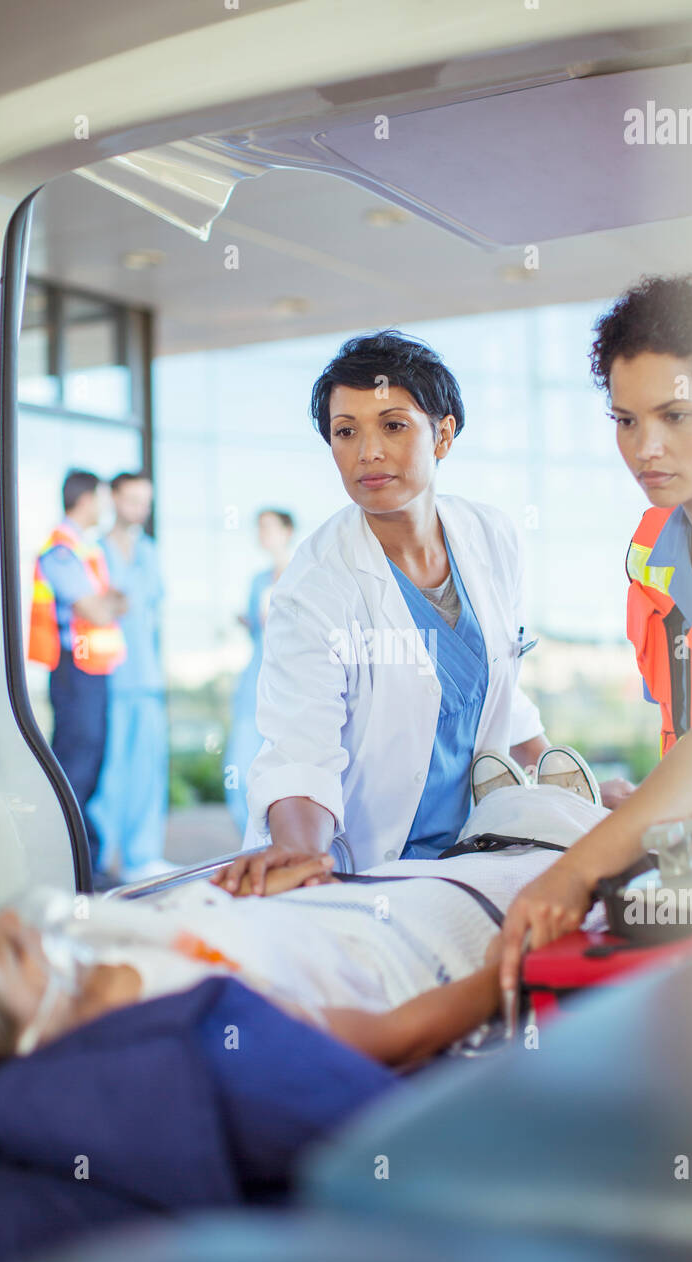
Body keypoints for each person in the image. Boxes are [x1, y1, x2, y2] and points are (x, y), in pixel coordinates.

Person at [498, 273, 692, 997]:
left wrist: (576, 871)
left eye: (675, 416)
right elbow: (691, 734)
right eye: (626, 420)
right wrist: (649, 802)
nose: (646, 447)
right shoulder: (650, 556)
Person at [228, 330, 630, 886]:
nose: (367, 451)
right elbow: (301, 750)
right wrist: (301, 855)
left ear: (442, 435)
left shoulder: (492, 537)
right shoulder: (316, 586)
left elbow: (497, 692)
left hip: (474, 851)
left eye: (393, 425)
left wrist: (573, 798)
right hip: (367, 862)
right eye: (346, 432)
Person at [0, 773, 609, 1078]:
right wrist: (515, 962)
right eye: (11, 949)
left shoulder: (86, 950)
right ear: (26, 1043)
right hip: (409, 946)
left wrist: (245, 890)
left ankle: (536, 805)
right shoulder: (183, 1035)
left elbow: (191, 932)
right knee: (565, 858)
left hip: (330, 905)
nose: (22, 923)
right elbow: (397, 1036)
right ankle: (562, 806)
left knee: (491, 840)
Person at [28, 470, 128, 880]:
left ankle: (86, 862)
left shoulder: (83, 549)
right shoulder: (62, 551)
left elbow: (116, 600)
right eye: (103, 498)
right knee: (75, 766)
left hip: (93, 671)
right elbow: (101, 608)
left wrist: (108, 602)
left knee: (92, 762)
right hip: (74, 673)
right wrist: (107, 603)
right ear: (85, 500)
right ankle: (71, 866)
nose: (106, 507)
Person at [87, 472, 173, 883]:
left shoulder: (150, 551)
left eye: (146, 501)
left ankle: (142, 858)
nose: (140, 509)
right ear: (114, 499)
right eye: (133, 499)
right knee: (109, 771)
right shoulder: (94, 550)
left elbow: (151, 610)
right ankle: (101, 860)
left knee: (146, 768)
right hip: (109, 677)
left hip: (147, 679)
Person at [223, 509, 295, 836]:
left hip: (292, 683)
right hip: (256, 679)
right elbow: (258, 628)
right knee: (241, 760)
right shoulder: (257, 581)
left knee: (289, 762)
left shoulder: (305, 574)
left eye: (269, 527)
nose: (262, 534)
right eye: (259, 527)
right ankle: (251, 835)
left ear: (287, 531)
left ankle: (283, 837)